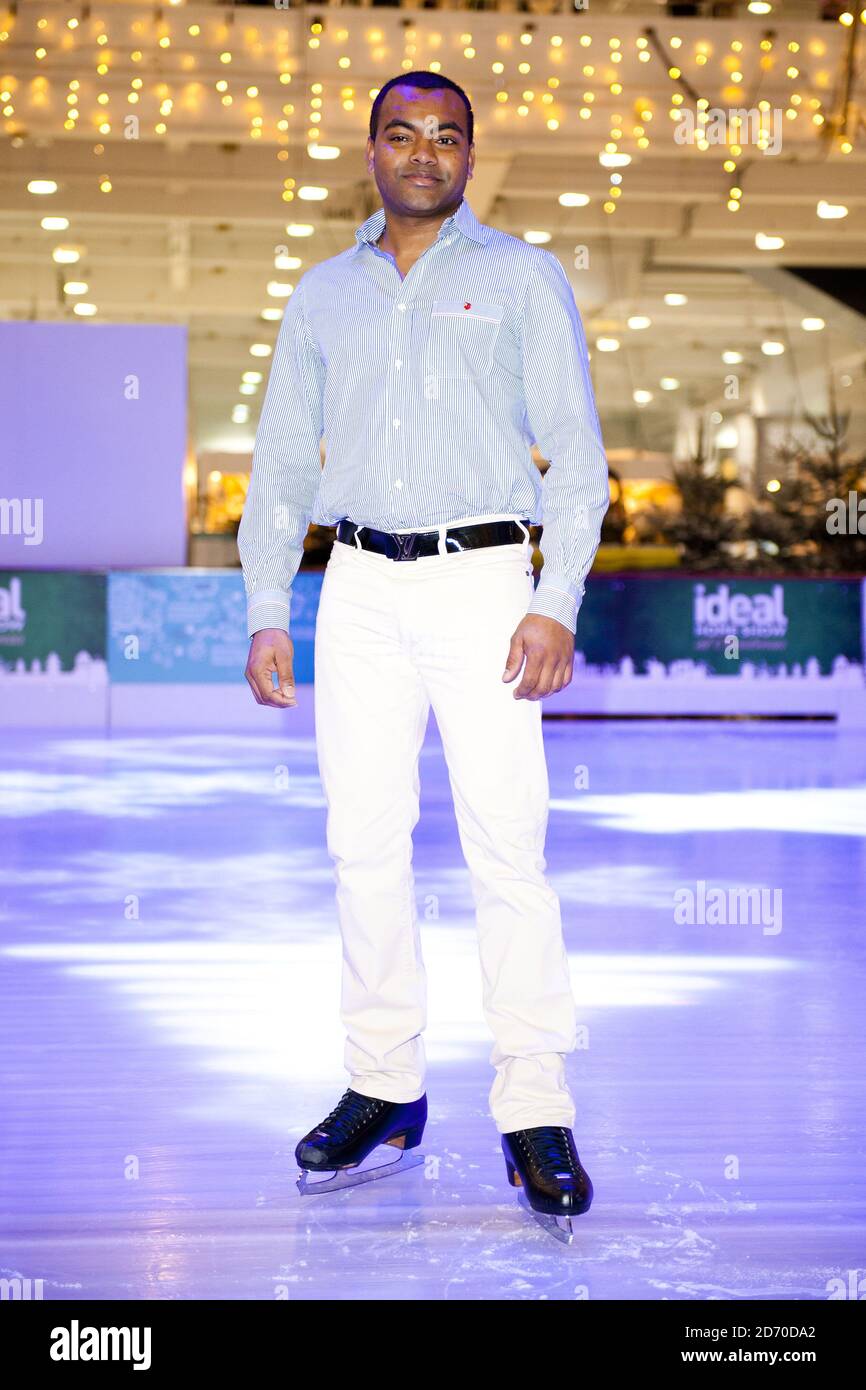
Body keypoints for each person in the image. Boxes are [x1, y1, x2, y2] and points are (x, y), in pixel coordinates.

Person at [238, 70, 609, 1234]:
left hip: (484, 582)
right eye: (402, 133)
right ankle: (383, 1088)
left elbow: (579, 454)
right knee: (362, 844)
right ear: (371, 149)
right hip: (355, 587)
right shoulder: (322, 294)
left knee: (507, 847)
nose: (423, 152)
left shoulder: (517, 278)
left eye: (446, 135)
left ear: (467, 155)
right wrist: (265, 605)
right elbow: (283, 465)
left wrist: (554, 599)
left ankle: (534, 1105)